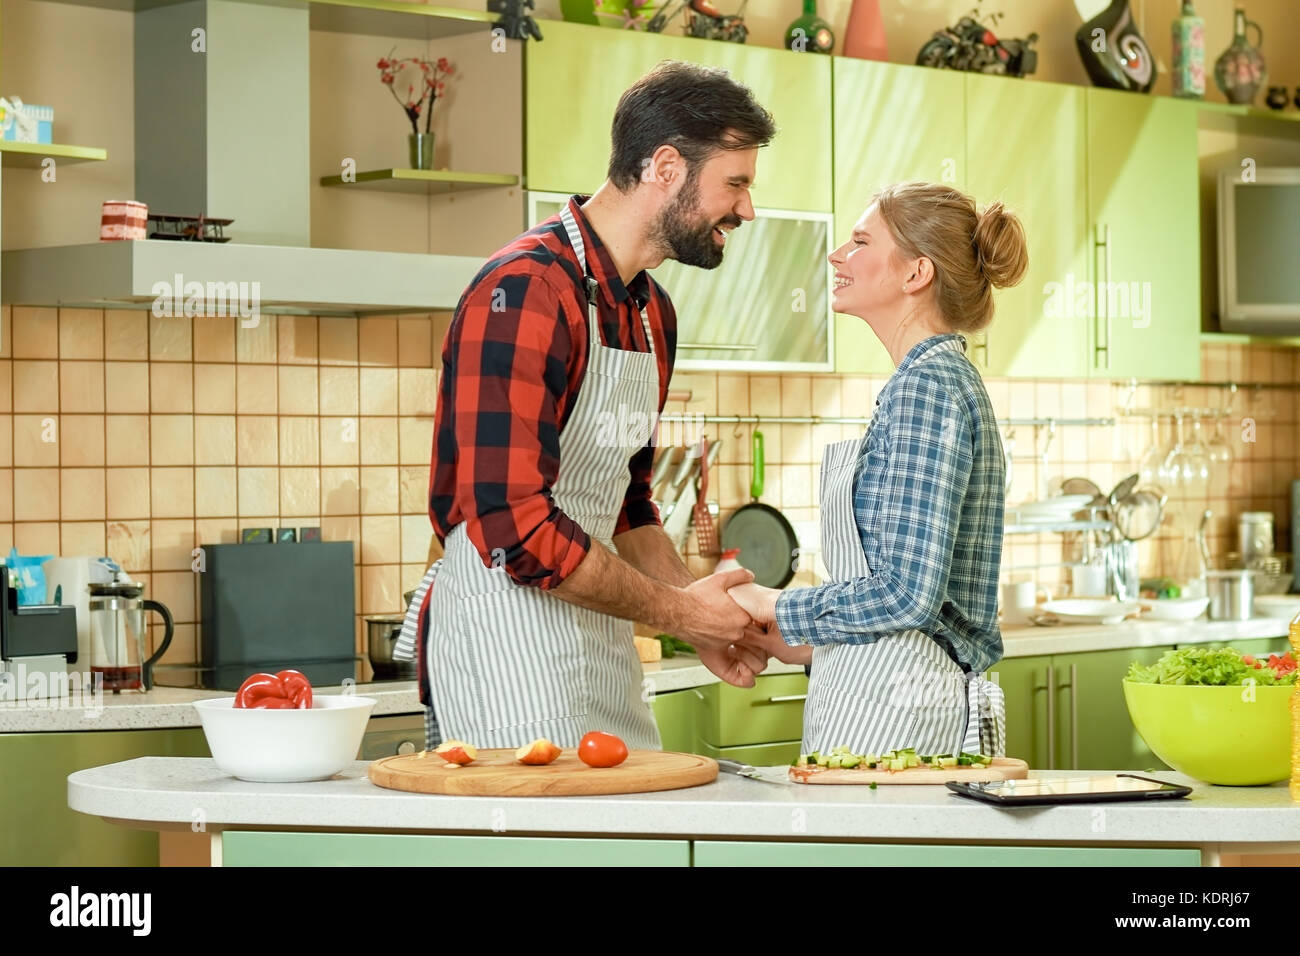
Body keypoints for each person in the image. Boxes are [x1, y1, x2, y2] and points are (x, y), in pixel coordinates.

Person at [393, 62, 778, 751]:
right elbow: (517, 524)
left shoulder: (650, 311)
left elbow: (629, 507)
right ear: (665, 167)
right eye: (737, 183)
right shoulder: (525, 290)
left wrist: (696, 609)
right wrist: (683, 615)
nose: (746, 209)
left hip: (601, 640)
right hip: (505, 641)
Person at [730, 181, 1026, 758]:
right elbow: (916, 602)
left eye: (860, 240)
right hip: (885, 696)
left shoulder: (927, 387)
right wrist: (806, 643)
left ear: (916, 273)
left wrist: (774, 605)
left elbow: (908, 596)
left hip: (901, 718)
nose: (838, 255)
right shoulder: (931, 380)